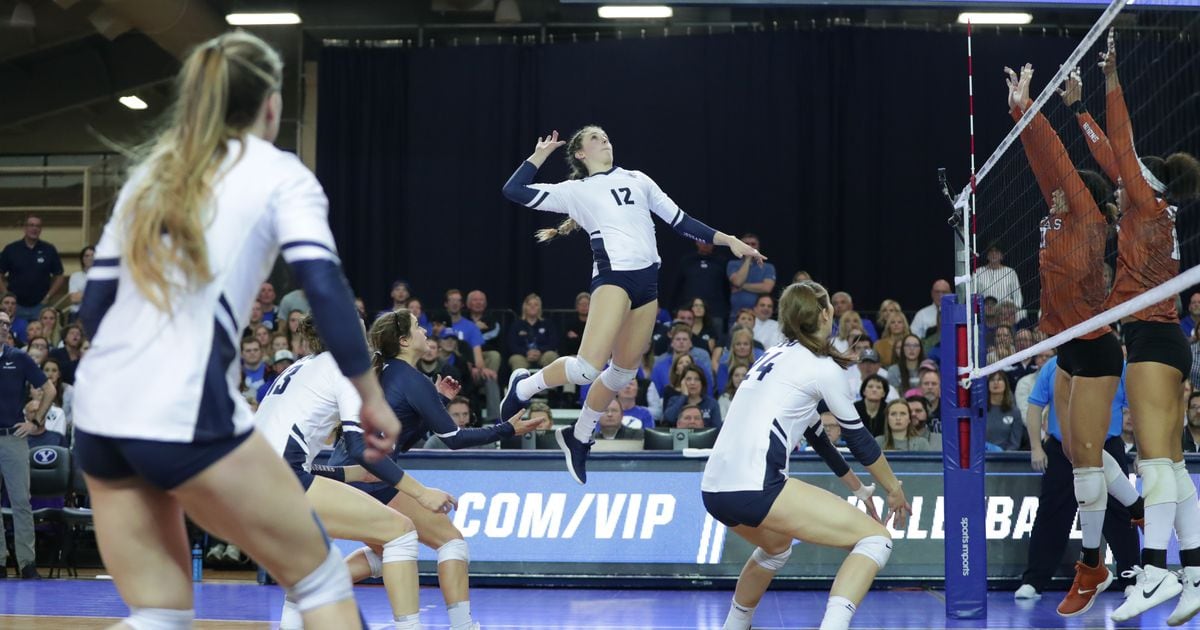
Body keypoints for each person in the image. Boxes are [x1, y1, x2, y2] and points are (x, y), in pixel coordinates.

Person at [71, 31, 402, 629]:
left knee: (159, 612)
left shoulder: (151, 175)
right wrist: (370, 394)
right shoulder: (279, 174)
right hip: (185, 403)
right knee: (320, 579)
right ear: (271, 105)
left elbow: (93, 310)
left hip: (99, 410)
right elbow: (325, 288)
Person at [501, 126, 762, 484]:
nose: (604, 139)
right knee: (586, 370)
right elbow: (513, 190)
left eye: (605, 136)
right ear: (580, 153)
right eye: (595, 137)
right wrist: (539, 155)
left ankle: (579, 436)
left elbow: (681, 221)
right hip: (614, 278)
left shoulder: (638, 179)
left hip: (648, 283)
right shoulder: (575, 191)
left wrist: (728, 240)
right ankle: (523, 387)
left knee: (624, 374)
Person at [1069, 36, 1200, 624]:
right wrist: (1079, 110)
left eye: (1126, 182)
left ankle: (1152, 572)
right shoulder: (1158, 211)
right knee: (1172, 466)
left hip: (1151, 339)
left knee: (1154, 466)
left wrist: (1111, 80)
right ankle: (1194, 574)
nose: (1117, 187)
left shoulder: (1145, 206)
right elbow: (1112, 156)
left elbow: (1119, 147)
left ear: (1146, 184)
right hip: (1168, 342)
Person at [701, 281, 909, 630]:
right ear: (826, 313)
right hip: (756, 486)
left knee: (777, 547)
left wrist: (859, 489)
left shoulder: (774, 354)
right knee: (876, 538)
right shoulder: (822, 367)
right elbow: (859, 440)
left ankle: (735, 625)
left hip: (714, 490)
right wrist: (893, 489)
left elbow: (818, 436)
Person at [326, 311, 542, 628]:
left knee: (388, 551)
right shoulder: (412, 380)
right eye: (417, 327)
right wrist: (505, 429)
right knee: (451, 542)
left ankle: (314, 590)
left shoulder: (381, 374)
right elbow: (454, 439)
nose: (425, 331)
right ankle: (463, 626)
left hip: (348, 474)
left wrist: (437, 399)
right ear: (403, 341)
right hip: (372, 477)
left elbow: (398, 439)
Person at [1008, 61, 1127, 617]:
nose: (1053, 192)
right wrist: (1019, 112)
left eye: (1065, 189)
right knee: (1080, 455)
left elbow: (1055, 154)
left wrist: (1035, 107)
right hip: (1067, 349)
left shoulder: (1085, 218)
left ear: (1082, 194)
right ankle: (1140, 506)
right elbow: (1042, 160)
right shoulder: (1058, 214)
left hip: (1095, 346)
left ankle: (1093, 563)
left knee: (1086, 461)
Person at [254, 316, 448, 630]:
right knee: (400, 533)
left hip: (252, 481)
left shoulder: (301, 366)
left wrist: (352, 475)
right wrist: (422, 493)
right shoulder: (346, 368)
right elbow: (361, 448)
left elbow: (290, 452)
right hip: (280, 480)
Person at [1015, 356, 1143, 607]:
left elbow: (1137, 408)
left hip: (1107, 445)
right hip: (1064, 449)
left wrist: (1142, 450)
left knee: (1119, 513)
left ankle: (1131, 579)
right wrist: (1036, 447)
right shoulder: (1054, 365)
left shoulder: (1117, 364)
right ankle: (1034, 581)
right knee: (1052, 514)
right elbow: (1035, 405)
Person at [0, 309, 56, 578]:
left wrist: (35, 421)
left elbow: (50, 389)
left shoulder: (19, 358)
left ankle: (27, 562)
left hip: (13, 437)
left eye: (7, 323)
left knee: (21, 502)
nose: (4, 327)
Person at [0, 215, 65, 324]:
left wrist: (48, 296)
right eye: (31, 225)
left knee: (42, 334)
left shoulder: (49, 249)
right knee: (14, 333)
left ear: (41, 229)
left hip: (41, 305)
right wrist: (6, 295)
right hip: (16, 306)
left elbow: (59, 276)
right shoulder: (11, 249)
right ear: (25, 228)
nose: (34, 228)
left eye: (38, 226)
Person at [726, 233, 776, 319]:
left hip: (760, 316)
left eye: (753, 244)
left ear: (758, 247)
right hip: (737, 315)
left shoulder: (768, 267)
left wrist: (742, 287)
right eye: (746, 244)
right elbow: (737, 282)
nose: (750, 247)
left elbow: (767, 288)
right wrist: (748, 259)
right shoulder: (732, 264)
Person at [506, 293, 560, 372]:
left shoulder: (547, 324)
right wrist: (526, 352)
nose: (532, 307)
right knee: (516, 359)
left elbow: (553, 342)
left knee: (551, 355)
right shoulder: (516, 325)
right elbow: (511, 344)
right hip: (522, 355)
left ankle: (549, 380)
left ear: (539, 308)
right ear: (525, 307)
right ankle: (521, 380)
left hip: (543, 354)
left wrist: (540, 351)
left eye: (536, 304)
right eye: (529, 304)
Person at [985, 372, 1025, 451]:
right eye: (992, 380)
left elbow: (1015, 443)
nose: (996, 383)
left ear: (1005, 384)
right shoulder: (981, 411)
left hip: (1006, 456)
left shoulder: (1015, 412)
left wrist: (1003, 455)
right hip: (982, 455)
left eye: (999, 379)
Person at [67, 245, 95, 321]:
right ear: (82, 259)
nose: (90, 258)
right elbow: (74, 299)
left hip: (97, 313)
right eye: (87, 256)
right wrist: (95, 292)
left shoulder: (103, 276)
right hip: (77, 313)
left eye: (93, 255)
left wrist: (82, 294)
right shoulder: (75, 276)